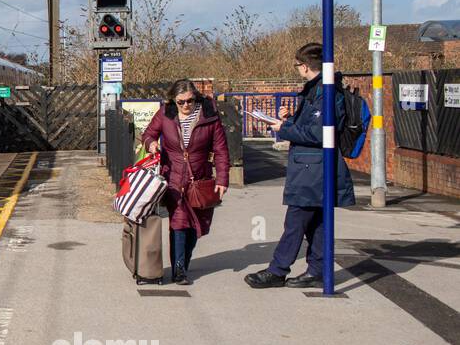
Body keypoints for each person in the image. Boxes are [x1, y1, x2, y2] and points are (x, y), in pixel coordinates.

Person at [245, 43, 355, 289]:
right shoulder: (318, 91)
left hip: (313, 169)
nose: (298, 70)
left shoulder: (325, 94)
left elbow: (318, 133)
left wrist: (284, 128)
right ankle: (317, 270)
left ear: (305, 66)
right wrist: (288, 119)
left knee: (295, 223)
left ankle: (277, 270)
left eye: (298, 66)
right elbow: (312, 126)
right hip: (312, 167)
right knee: (316, 223)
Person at [140, 79, 230, 284]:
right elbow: (147, 134)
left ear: (196, 98)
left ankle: (184, 261)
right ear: (174, 100)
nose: (186, 105)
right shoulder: (166, 113)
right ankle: (179, 269)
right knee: (178, 222)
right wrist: (151, 143)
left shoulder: (209, 116)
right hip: (173, 176)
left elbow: (221, 150)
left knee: (195, 224)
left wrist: (223, 179)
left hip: (200, 178)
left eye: (190, 100)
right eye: (181, 102)